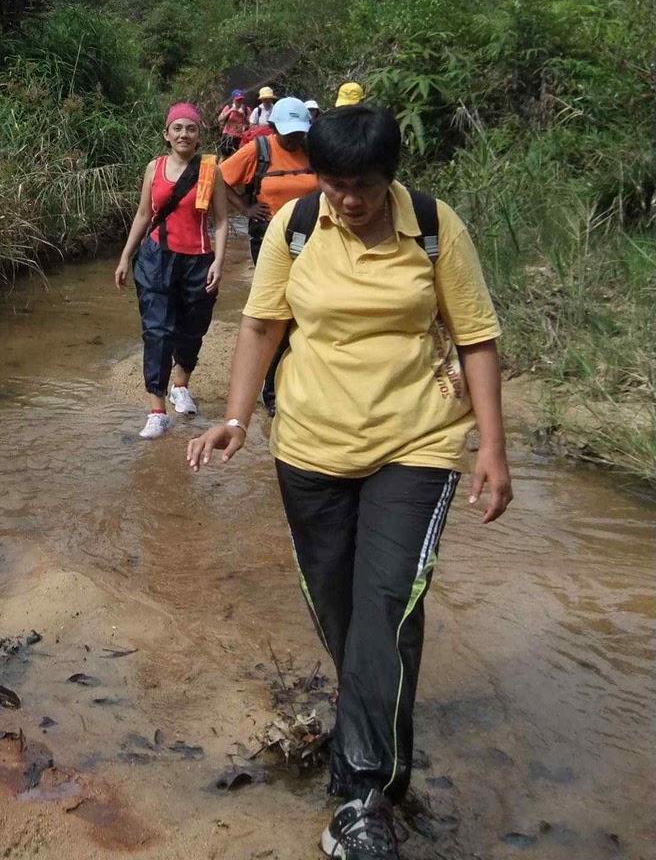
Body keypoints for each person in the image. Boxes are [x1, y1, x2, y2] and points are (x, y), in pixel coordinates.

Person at [188, 105, 511, 860]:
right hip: (310, 446)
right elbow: (262, 326)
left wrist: (493, 448)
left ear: (389, 178)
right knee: (344, 610)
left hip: (418, 441)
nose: (348, 200)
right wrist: (235, 420)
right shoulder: (297, 227)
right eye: (335, 185)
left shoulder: (435, 227)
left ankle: (365, 792)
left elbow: (477, 337)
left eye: (362, 185)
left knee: (389, 601)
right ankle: (367, 723)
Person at [115, 103, 229, 438]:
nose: (184, 134)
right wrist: (125, 256)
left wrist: (220, 263)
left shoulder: (211, 172)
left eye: (190, 129)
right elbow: (142, 215)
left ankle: (181, 385)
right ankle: (157, 409)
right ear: (167, 135)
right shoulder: (155, 167)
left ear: (199, 136)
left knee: (192, 328)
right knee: (157, 331)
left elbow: (221, 222)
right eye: (177, 128)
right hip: (156, 257)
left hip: (199, 259)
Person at [219, 96, 319, 414]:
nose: (294, 138)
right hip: (269, 242)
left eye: (299, 132)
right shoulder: (258, 151)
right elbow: (219, 178)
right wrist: (246, 208)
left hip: (313, 241)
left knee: (306, 309)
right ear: (273, 126)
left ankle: (292, 379)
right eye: (288, 132)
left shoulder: (315, 153)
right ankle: (271, 387)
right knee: (277, 311)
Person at [216, 89, 248, 156]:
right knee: (224, 156)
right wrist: (230, 111)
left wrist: (243, 115)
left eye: (241, 100)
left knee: (236, 157)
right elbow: (220, 119)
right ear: (233, 99)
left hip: (239, 137)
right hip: (228, 135)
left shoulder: (246, 109)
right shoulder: (228, 107)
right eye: (237, 100)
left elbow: (250, 123)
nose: (239, 102)